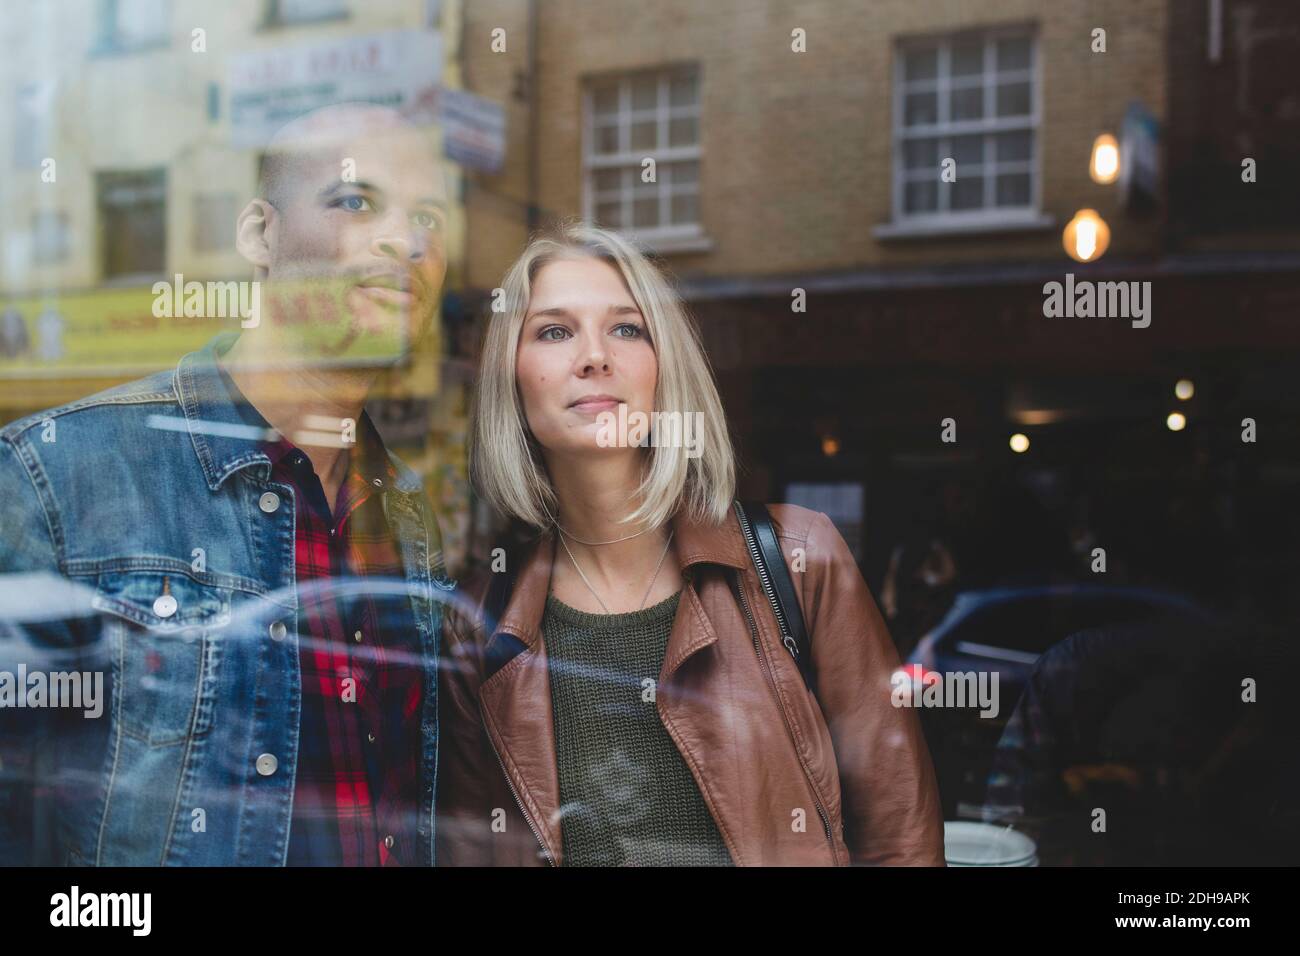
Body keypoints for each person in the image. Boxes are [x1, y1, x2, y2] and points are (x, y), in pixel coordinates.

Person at [0, 103, 454, 866]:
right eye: (355, 201)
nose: (406, 241)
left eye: (430, 216)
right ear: (259, 234)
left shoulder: (407, 514)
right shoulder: (55, 473)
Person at [436, 223, 945, 866]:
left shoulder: (796, 557)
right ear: (513, 376)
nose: (594, 356)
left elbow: (900, 837)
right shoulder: (478, 626)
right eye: (554, 331)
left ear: (663, 367)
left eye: (627, 328)